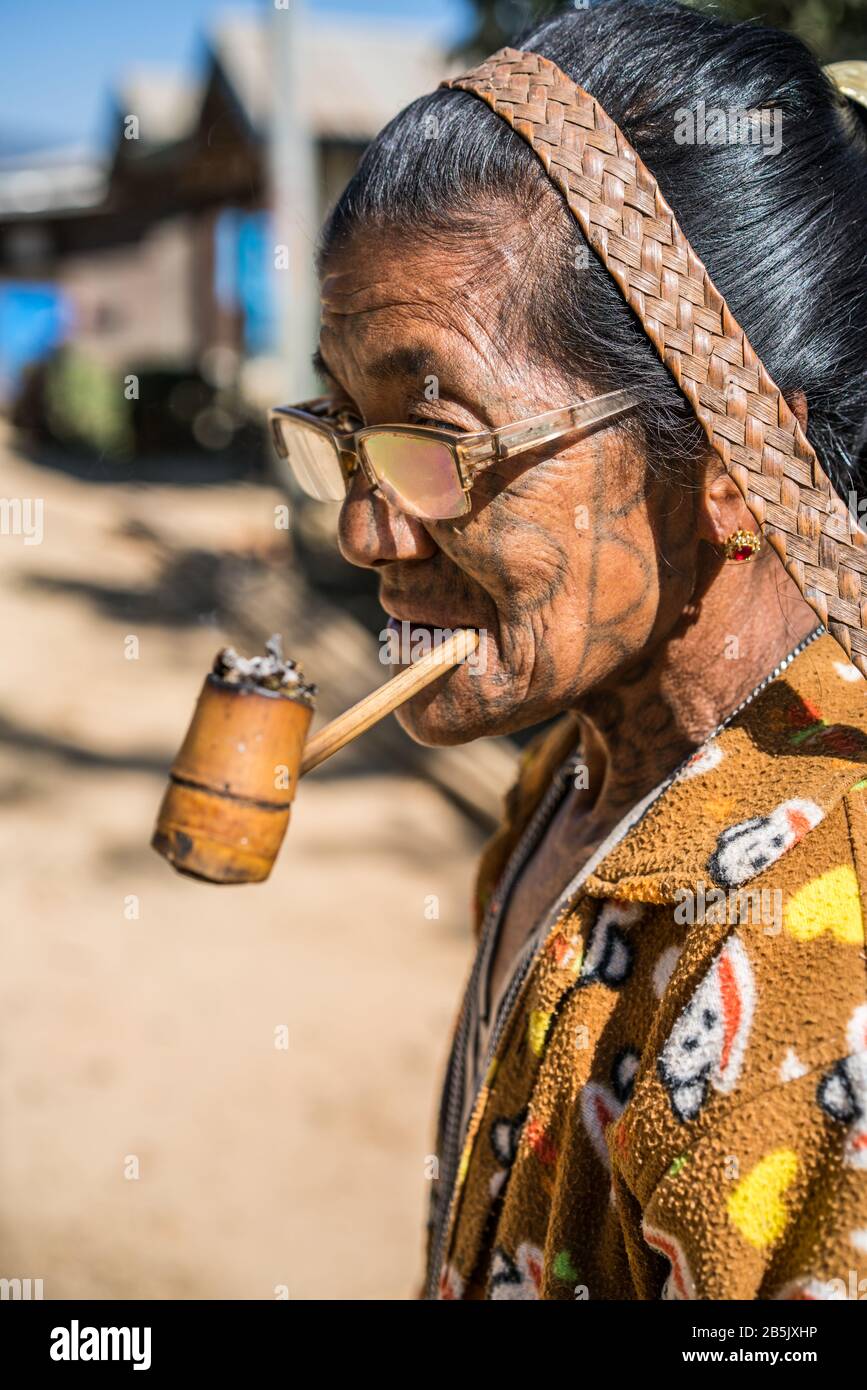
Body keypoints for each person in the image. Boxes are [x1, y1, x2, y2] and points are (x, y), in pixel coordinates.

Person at [272, 0, 867, 1298]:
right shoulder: (579, 777)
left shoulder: (827, 948)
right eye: (340, 428)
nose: (366, 528)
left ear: (734, 462)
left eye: (439, 442)